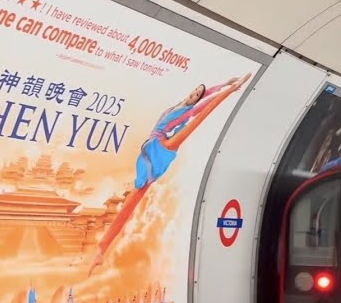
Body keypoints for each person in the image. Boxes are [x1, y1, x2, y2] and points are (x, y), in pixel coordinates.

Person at [89, 74, 253, 275]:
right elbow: (207, 93)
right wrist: (223, 84)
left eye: (197, 95)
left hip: (164, 146)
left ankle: (102, 248)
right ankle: (101, 250)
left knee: (135, 196)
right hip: (151, 146)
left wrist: (229, 90)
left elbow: (206, 106)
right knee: (133, 197)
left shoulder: (188, 111)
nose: (195, 95)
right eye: (195, 91)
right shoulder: (176, 106)